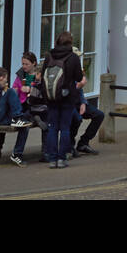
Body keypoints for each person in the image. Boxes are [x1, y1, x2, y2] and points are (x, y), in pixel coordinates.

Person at [42, 31, 84, 169]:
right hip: (67, 97)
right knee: (65, 128)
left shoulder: (49, 56)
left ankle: (52, 159)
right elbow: (78, 77)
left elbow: (43, 76)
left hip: (51, 97)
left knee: (52, 128)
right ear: (70, 42)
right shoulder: (73, 57)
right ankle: (62, 159)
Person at [10, 51, 43, 165]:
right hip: (22, 107)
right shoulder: (20, 76)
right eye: (23, 64)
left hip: (36, 105)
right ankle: (17, 154)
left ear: (34, 63)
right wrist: (17, 90)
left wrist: (30, 89)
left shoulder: (39, 75)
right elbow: (13, 91)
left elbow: (42, 91)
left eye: (26, 64)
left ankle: (46, 153)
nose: (24, 66)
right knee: (25, 125)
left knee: (45, 123)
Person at [67, 77, 103, 158]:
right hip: (68, 104)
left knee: (99, 115)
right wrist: (79, 85)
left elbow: (80, 90)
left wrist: (83, 102)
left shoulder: (76, 69)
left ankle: (83, 143)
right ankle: (69, 146)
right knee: (77, 119)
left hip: (79, 102)